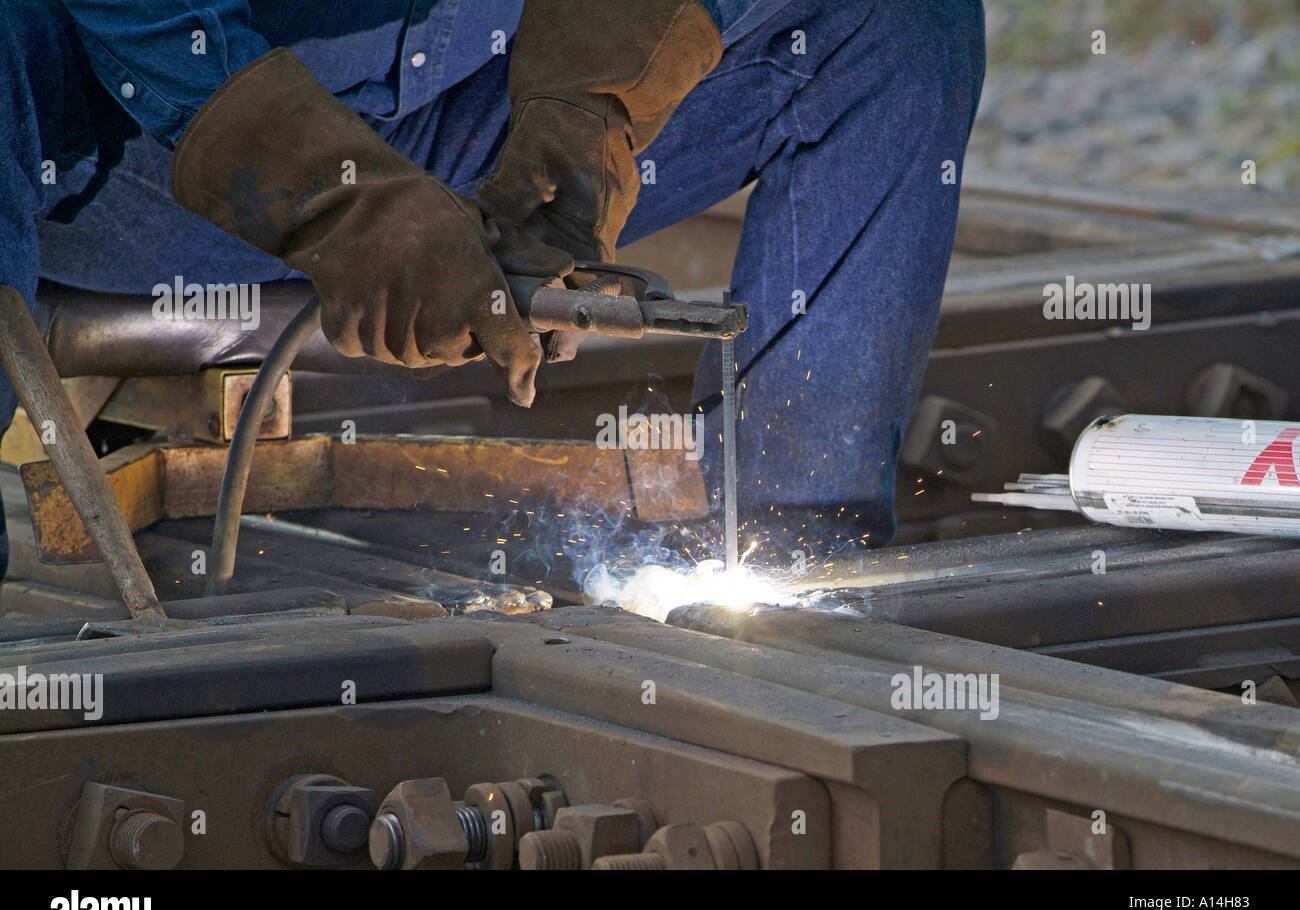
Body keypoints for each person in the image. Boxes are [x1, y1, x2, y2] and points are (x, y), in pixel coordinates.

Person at [0, 0, 985, 576]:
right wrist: (339, 204)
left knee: (890, 19)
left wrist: (588, 111)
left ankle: (786, 559)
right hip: (137, 162)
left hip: (465, 108)